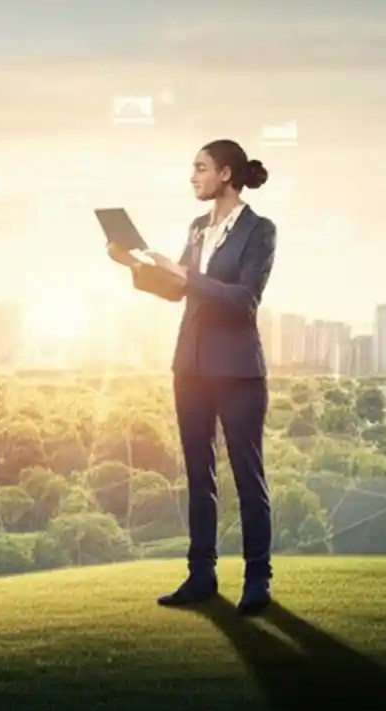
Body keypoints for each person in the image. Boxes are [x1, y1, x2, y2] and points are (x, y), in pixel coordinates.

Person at [143, 139, 276, 615]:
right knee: (199, 476)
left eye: (200, 168)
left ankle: (257, 580)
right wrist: (137, 266)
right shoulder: (198, 227)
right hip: (191, 368)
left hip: (238, 371)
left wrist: (180, 271)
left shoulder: (260, 230)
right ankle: (201, 575)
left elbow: (244, 299)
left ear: (224, 173)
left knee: (247, 477)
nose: (193, 176)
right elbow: (179, 289)